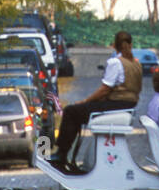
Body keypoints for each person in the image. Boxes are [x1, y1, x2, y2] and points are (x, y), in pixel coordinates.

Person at [49, 31, 143, 173]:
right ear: (130, 45)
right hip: (128, 105)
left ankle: (61, 154)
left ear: (114, 46)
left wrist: (85, 101)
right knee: (79, 110)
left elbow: (105, 90)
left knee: (71, 111)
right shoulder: (136, 65)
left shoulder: (115, 63)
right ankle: (65, 155)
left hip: (116, 105)